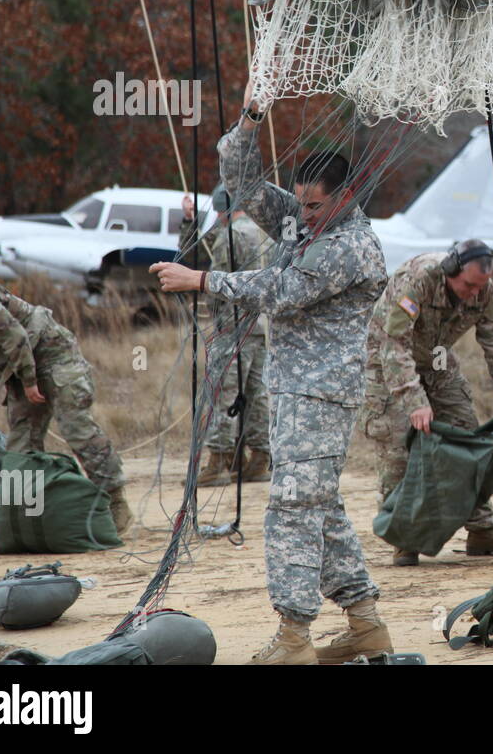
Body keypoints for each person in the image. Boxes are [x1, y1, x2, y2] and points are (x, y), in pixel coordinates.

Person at [150, 87, 390, 665]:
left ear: (346, 196)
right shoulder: (303, 223)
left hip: (321, 395)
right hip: (292, 390)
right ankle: (364, 625)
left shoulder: (352, 245)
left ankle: (293, 635)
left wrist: (203, 281)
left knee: (290, 508)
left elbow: (281, 294)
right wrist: (253, 116)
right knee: (317, 505)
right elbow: (242, 177)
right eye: (301, 205)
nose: (303, 214)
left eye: (314, 206)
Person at [0, 252, 132, 532]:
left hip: (52, 356)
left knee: (76, 427)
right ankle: (26, 520)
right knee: (20, 447)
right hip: (20, 371)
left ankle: (115, 502)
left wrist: (30, 382)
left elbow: (15, 336)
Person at [363, 239, 493, 565]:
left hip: (438, 362)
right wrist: (414, 401)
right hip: (388, 364)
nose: (474, 294)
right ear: (451, 270)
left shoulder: (484, 291)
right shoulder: (419, 279)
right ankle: (404, 538)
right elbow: (393, 343)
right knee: (399, 447)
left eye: (480, 287)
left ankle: (480, 530)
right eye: (468, 285)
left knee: (468, 438)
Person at [179, 187, 276, 486]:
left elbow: (216, 280)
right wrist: (192, 221)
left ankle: (219, 459)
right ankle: (259, 457)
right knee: (256, 395)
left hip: (233, 327)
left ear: (222, 210)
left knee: (222, 393)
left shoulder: (231, 235)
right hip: (260, 327)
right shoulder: (264, 233)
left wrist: (217, 320)